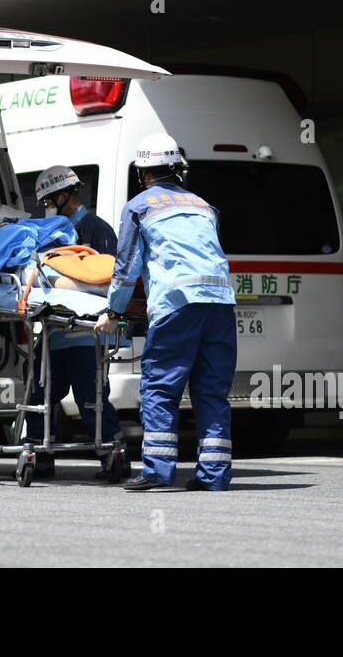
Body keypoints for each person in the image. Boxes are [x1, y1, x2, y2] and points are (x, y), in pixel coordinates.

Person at [95, 133, 237, 492]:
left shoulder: (139, 206)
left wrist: (113, 311)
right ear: (178, 170)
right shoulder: (206, 206)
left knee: (160, 385)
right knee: (212, 391)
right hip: (220, 304)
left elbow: (127, 269)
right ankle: (214, 475)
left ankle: (158, 471)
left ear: (143, 173)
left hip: (177, 304)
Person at [26, 166, 122, 479]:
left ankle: (113, 457)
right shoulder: (51, 232)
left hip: (84, 335)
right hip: (54, 332)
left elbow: (108, 280)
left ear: (65, 195)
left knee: (91, 398)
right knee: (38, 397)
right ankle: (39, 458)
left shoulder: (98, 230)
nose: (47, 208)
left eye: (50, 201)